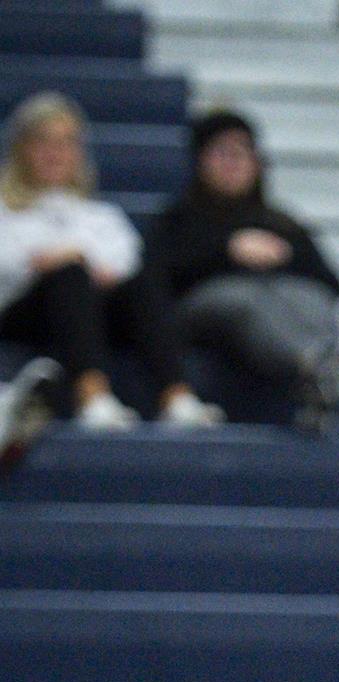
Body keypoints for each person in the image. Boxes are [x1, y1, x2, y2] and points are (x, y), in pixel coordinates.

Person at [0, 94, 219, 430]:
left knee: (139, 282)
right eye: (43, 142)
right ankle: (92, 397)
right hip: (23, 313)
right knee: (69, 274)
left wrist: (82, 263)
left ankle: (176, 397)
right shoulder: (5, 210)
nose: (54, 153)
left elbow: (126, 264)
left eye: (65, 142)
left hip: (93, 312)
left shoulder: (102, 214)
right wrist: (63, 263)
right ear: (22, 150)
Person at [148, 109, 339, 432]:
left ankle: (319, 368)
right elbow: (160, 277)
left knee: (308, 296)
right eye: (222, 152)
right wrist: (228, 252)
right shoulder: (179, 219)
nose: (233, 162)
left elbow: (331, 283)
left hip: (275, 307)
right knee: (246, 300)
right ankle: (313, 367)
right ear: (200, 161)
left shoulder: (280, 222)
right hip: (204, 312)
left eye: (243, 152)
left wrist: (284, 256)